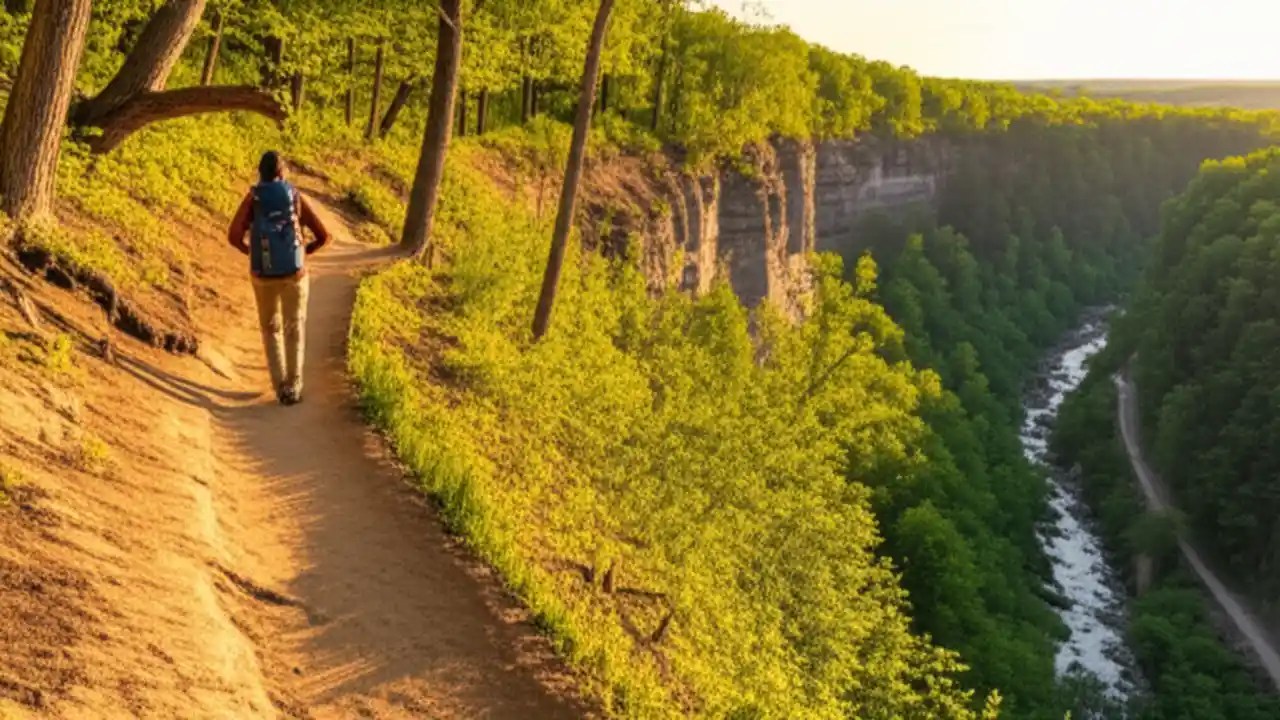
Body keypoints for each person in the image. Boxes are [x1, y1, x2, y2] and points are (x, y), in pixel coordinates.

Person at [227, 151, 331, 406]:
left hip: (263, 275)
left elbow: (233, 235)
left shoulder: (254, 198)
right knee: (294, 327)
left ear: (259, 172)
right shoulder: (294, 196)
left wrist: (252, 253)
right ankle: (294, 386)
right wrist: (302, 253)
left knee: (271, 328)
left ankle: (279, 386)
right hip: (295, 275)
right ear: (282, 172)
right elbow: (324, 235)